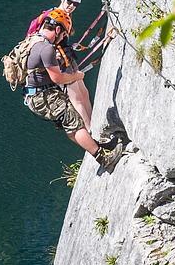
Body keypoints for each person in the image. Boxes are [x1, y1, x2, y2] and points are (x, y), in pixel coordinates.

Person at [24, 11, 124, 170]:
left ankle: (97, 145)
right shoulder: (46, 48)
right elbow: (58, 78)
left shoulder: (33, 39)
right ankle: (104, 158)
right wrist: (76, 76)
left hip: (37, 94)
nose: (63, 38)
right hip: (42, 96)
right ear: (57, 30)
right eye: (63, 34)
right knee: (74, 124)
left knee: (70, 123)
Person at [26, 0, 93, 130]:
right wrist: (51, 53)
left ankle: (95, 126)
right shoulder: (51, 17)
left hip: (66, 59)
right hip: (58, 63)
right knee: (77, 99)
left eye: (75, 4)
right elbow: (40, 39)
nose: (71, 6)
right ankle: (92, 132)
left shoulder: (65, 17)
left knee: (84, 93)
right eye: (69, 2)